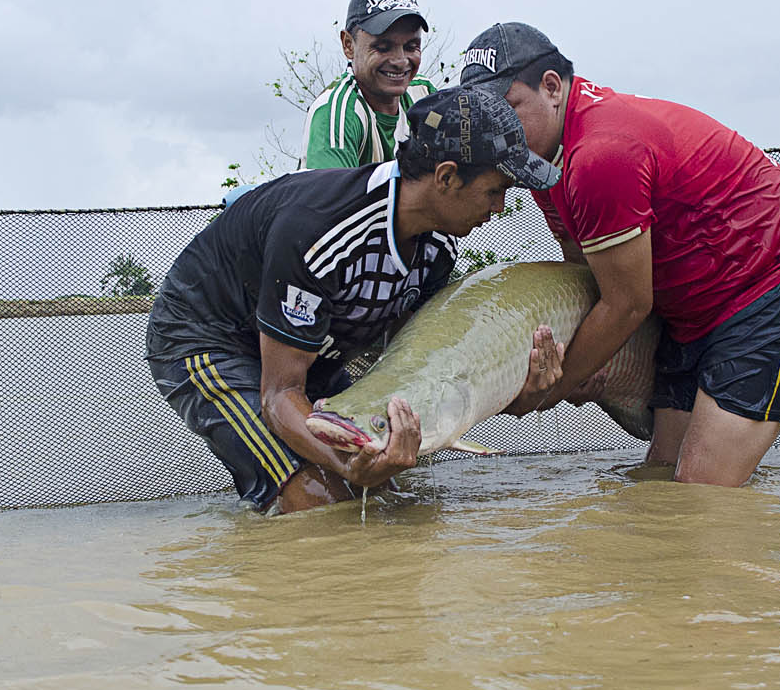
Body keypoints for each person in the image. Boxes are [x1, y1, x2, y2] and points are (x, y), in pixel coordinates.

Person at [459, 23, 780, 486]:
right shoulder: (540, 161)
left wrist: (548, 390)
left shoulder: (601, 153)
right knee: (660, 478)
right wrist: (584, 367)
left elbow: (627, 304)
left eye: (505, 108)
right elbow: (586, 275)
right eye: (483, 115)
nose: (494, 129)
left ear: (551, 87)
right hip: (694, 310)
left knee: (700, 491)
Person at [150, 86, 564, 513]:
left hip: (311, 351)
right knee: (320, 501)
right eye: (495, 190)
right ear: (446, 177)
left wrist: (518, 392)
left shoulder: (438, 247)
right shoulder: (318, 231)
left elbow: (414, 366)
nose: (499, 208)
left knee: (386, 494)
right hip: (209, 339)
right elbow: (279, 395)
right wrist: (346, 468)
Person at [303, 0, 437, 169]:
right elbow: (333, 189)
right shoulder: (336, 116)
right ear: (348, 45)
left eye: (411, 47)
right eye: (383, 47)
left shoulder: (424, 95)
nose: (400, 61)